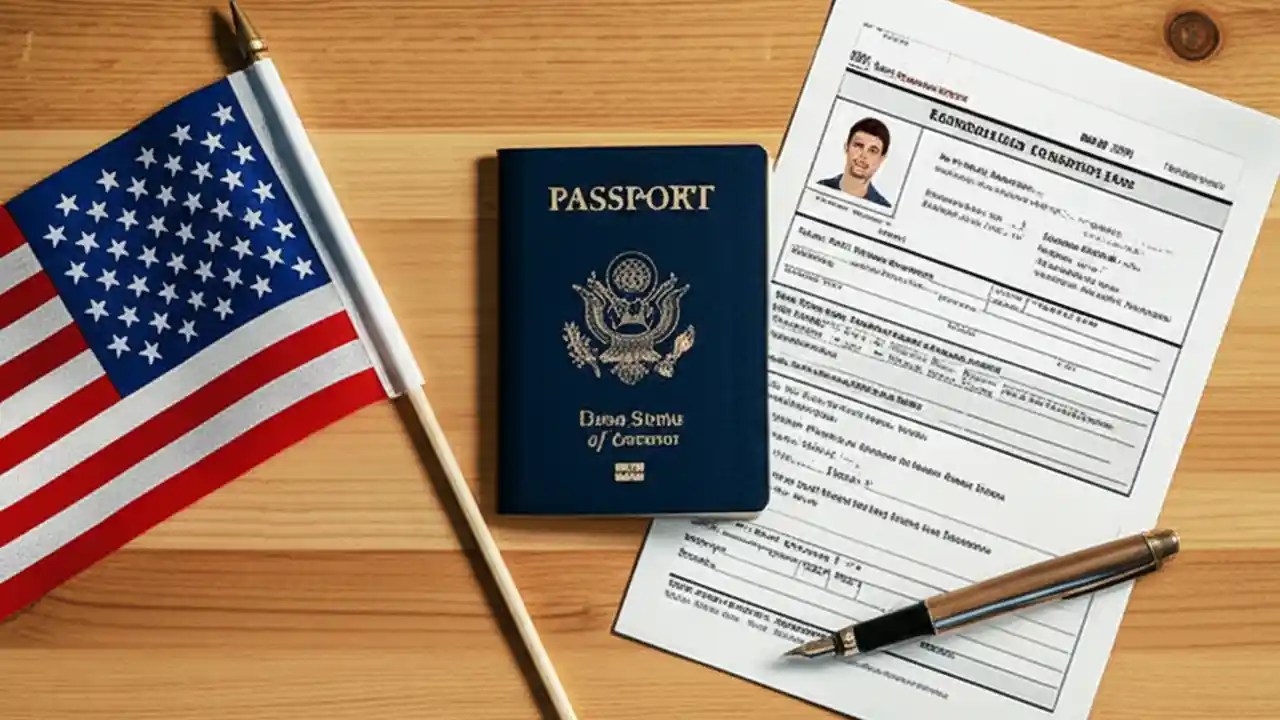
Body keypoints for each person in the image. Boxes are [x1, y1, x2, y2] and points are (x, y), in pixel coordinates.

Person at [818, 117, 892, 207]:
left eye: (872, 151)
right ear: (846, 147)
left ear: (881, 159)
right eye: (859, 145)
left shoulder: (883, 208)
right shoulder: (819, 189)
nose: (863, 155)